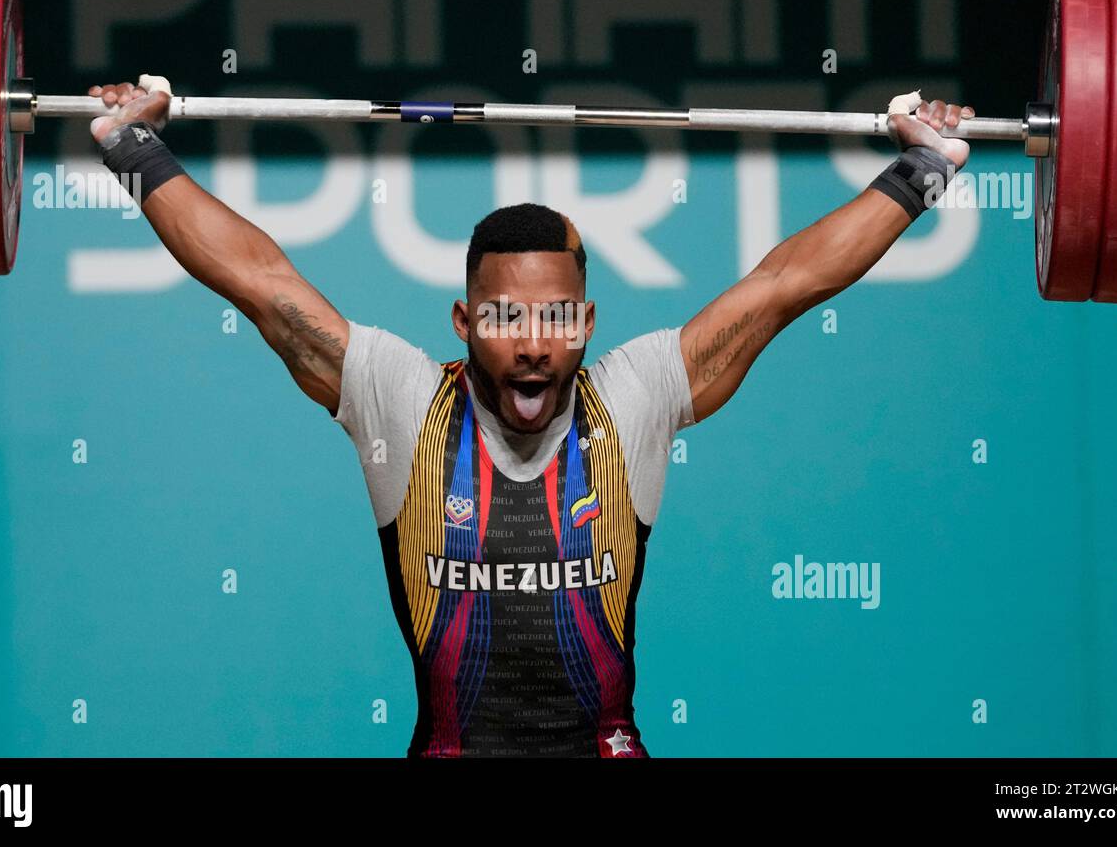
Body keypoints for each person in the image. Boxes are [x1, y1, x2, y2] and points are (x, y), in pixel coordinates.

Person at [87, 79, 973, 757]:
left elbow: (784, 286)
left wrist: (920, 167)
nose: (534, 344)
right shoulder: (402, 400)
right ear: (466, 323)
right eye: (507, 317)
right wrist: (135, 150)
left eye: (555, 317)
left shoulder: (635, 397)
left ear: (586, 324)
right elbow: (263, 285)